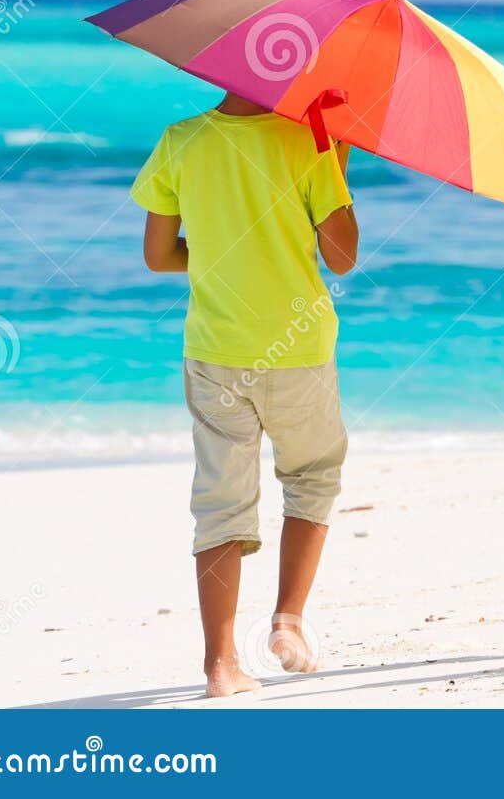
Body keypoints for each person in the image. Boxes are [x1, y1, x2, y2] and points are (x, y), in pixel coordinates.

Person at [134, 92, 359, 695]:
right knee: (312, 476)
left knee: (219, 501)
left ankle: (220, 664)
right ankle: (287, 621)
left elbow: (158, 255)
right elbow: (342, 257)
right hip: (297, 352)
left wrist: (215, 256)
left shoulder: (181, 138)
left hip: (214, 351)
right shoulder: (306, 143)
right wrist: (335, 157)